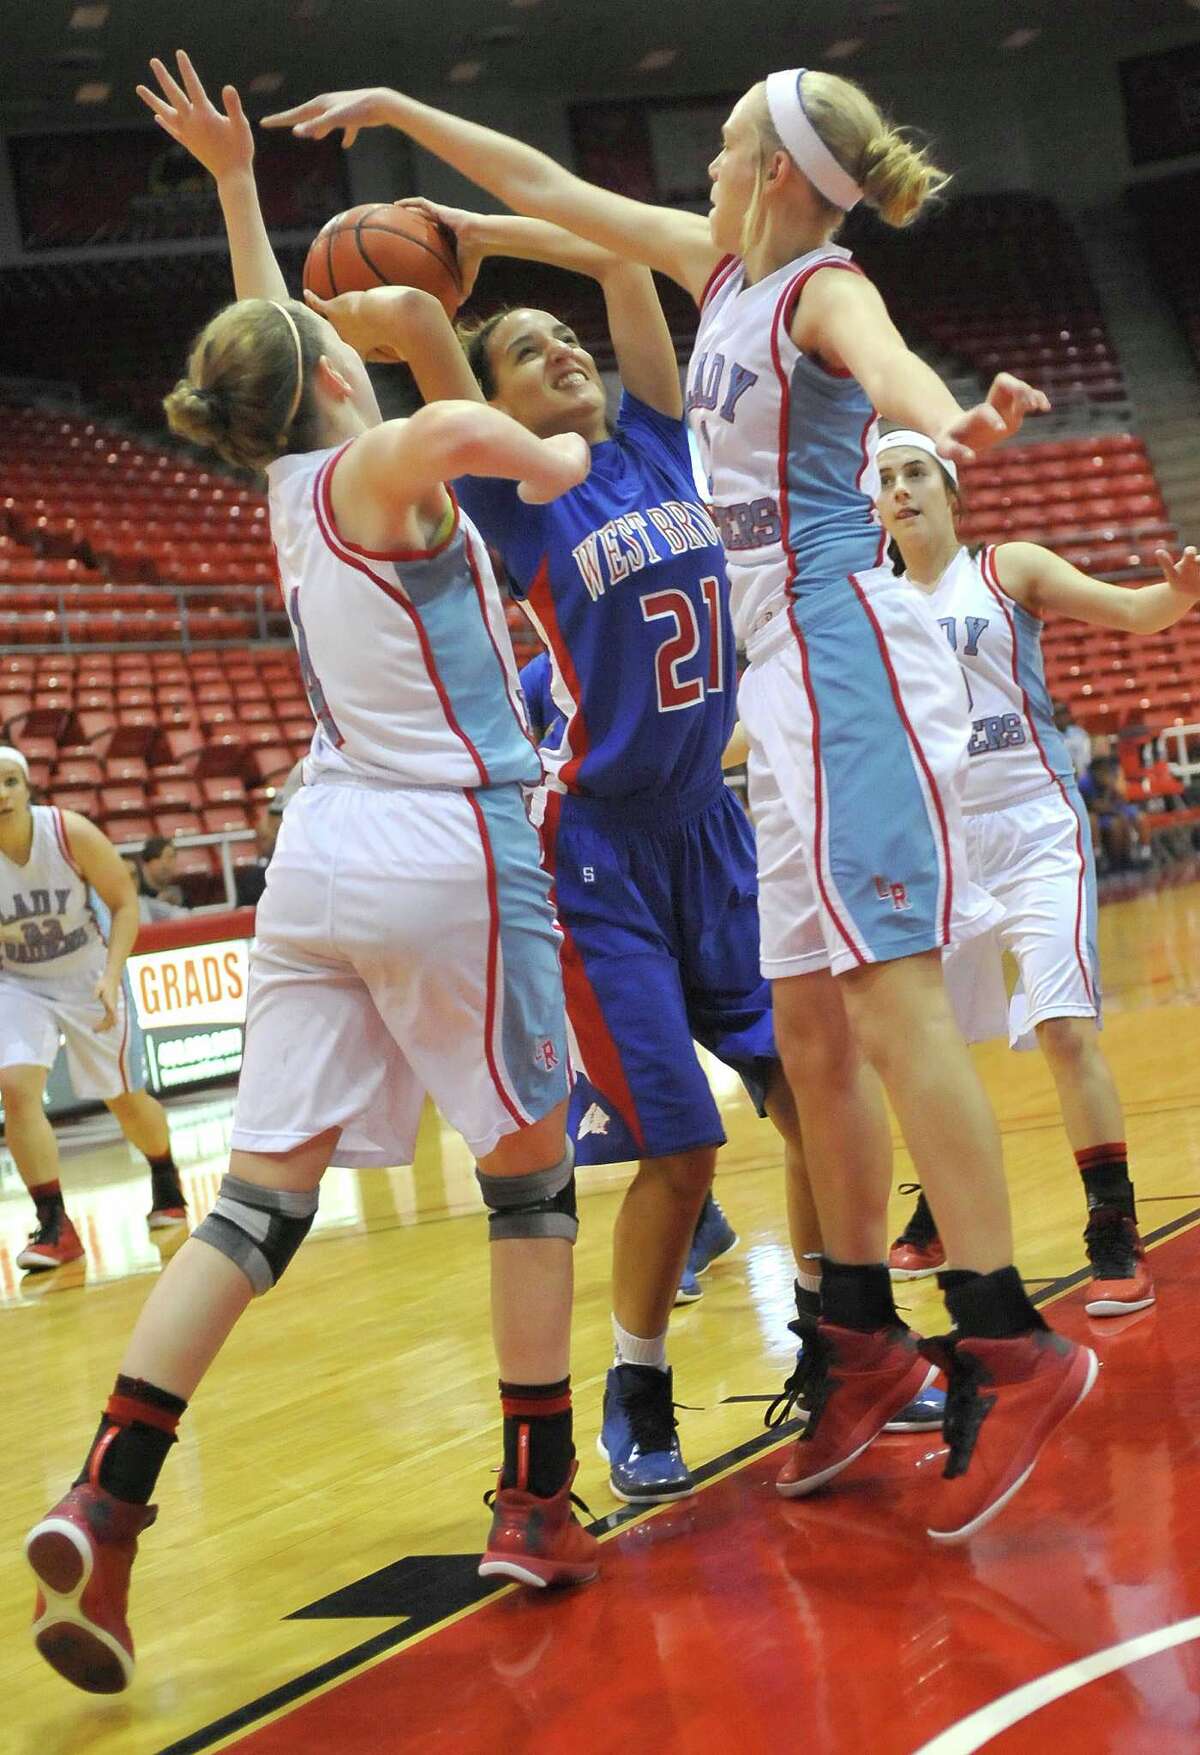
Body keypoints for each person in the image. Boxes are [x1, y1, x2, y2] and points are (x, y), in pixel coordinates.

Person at [267, 64, 1095, 1544]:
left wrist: (950, 418)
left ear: (773, 174)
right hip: (766, 700)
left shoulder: (817, 289)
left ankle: (1007, 1332)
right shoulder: (715, 275)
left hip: (838, 655)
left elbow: (890, 360)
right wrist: (404, 116)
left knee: (889, 1005)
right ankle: (853, 1341)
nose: (701, 167)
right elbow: (552, 196)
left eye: (722, 149)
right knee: (813, 1025)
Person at [24, 54, 596, 1700]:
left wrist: (230, 192)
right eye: (343, 343)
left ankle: (107, 1500)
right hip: (445, 846)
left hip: (318, 863)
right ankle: (536, 1500)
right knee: (530, 1175)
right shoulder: (389, 468)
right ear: (339, 378)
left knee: (261, 1200)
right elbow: (524, 454)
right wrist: (472, 368)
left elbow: (277, 328)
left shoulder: (285, 480)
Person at [380, 194, 884, 1508]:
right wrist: (435, 270)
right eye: (531, 352)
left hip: (714, 833)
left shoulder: (662, 446)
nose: (565, 356)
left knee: (812, 1094)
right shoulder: (513, 497)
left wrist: (501, 225)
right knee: (683, 1149)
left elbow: (614, 259)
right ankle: (639, 1378)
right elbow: (430, 328)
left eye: (569, 343)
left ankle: (842, 1348)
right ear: (493, 406)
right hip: (597, 856)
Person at [875, 428, 1200, 1313]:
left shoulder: (1004, 567)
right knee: (926, 1046)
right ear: (875, 507)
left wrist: (1176, 596)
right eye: (887, 479)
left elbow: (1132, 614)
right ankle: (942, 1202)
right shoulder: (869, 605)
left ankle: (1113, 1227)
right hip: (938, 842)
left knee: (1062, 1030)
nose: (902, 489)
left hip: (1034, 826)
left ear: (948, 491)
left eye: (916, 474)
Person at [519, 645, 743, 1313]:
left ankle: (694, 1224)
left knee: (666, 1057)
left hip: (689, 843)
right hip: (586, 865)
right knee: (625, 1059)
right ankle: (695, 1223)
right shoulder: (540, 672)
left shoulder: (693, 634)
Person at [0, 745, 188, 1272]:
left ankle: (165, 1177)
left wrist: (110, 975)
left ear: (28, 787)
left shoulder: (68, 833)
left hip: (88, 976)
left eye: (10, 781)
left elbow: (125, 903)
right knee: (16, 1088)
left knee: (124, 1099)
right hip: (17, 981)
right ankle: (56, 1226)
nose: (1, 793)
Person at [137, 836, 187, 913]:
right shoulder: (135, 892)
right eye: (168, 858)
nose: (170, 865)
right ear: (148, 862)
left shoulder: (178, 891)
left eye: (173, 858)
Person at [1052, 700, 1091, 781]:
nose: (1062, 716)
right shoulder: (1050, 736)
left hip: (1083, 777)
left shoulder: (1080, 733)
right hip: (1061, 778)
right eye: (1058, 713)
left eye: (1064, 712)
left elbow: (1087, 758)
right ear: (1052, 716)